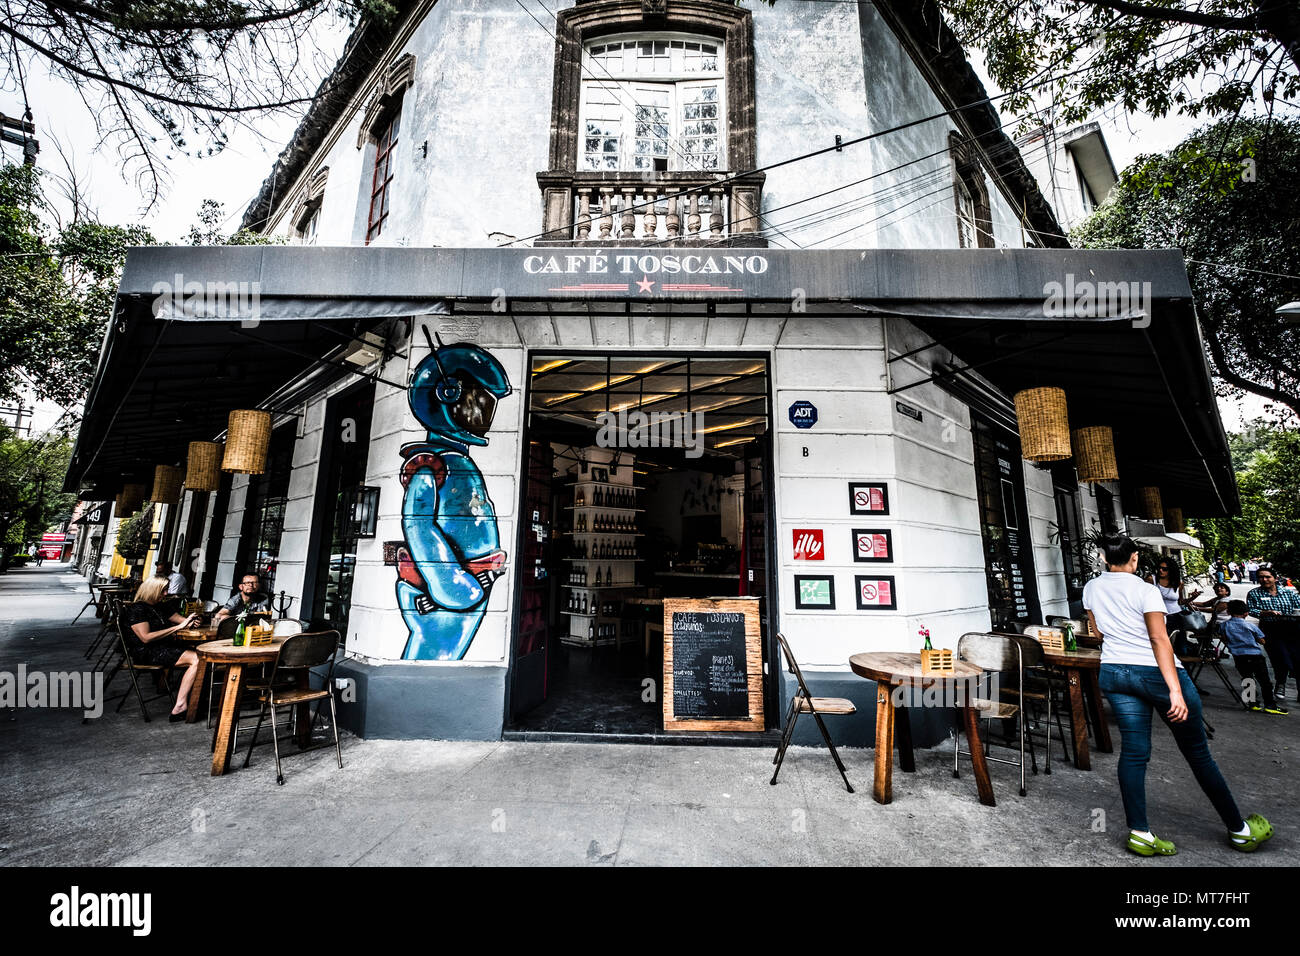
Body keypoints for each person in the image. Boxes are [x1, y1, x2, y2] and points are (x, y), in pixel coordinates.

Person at [1083, 535, 1271, 856]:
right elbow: (1159, 640)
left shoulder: (1091, 588)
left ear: (1104, 559)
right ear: (1134, 559)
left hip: (1114, 671)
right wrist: (1174, 690)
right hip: (1155, 673)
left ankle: (1140, 834)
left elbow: (1098, 633)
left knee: (1133, 753)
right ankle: (1239, 830)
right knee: (1198, 753)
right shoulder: (1146, 590)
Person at [122, 576, 203, 722]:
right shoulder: (137, 609)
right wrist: (177, 628)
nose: (166, 593)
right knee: (197, 659)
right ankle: (180, 706)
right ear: (152, 590)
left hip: (165, 646)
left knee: (203, 652)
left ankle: (197, 699)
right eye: (163, 590)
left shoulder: (161, 606)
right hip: (147, 651)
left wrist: (192, 621)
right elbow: (146, 637)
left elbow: (181, 620)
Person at [1220, 600, 1286, 715]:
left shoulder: (1224, 625)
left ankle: (1252, 703)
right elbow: (1262, 641)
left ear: (1228, 612)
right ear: (1246, 613)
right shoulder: (1250, 625)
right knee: (1264, 681)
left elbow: (1224, 638)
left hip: (1239, 656)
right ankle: (1270, 705)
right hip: (1255, 656)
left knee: (1247, 678)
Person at [1246, 567, 1300, 701]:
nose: (1264, 580)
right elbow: (1251, 610)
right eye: (1260, 577)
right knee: (1279, 657)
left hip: (1292, 628)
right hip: (1271, 629)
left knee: (1297, 657)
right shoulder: (1254, 593)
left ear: (1275, 578)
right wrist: (1265, 613)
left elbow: (1298, 606)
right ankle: (1281, 683)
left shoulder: (1289, 593)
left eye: (1267, 576)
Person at [1145, 558, 1200, 654]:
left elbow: (1180, 602)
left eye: (1164, 569)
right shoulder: (1151, 579)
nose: (1160, 570)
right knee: (1161, 645)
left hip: (1176, 616)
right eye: (1159, 568)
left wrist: (1192, 598)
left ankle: (1181, 666)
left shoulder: (1178, 583)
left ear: (1171, 570)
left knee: (1181, 646)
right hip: (1159, 617)